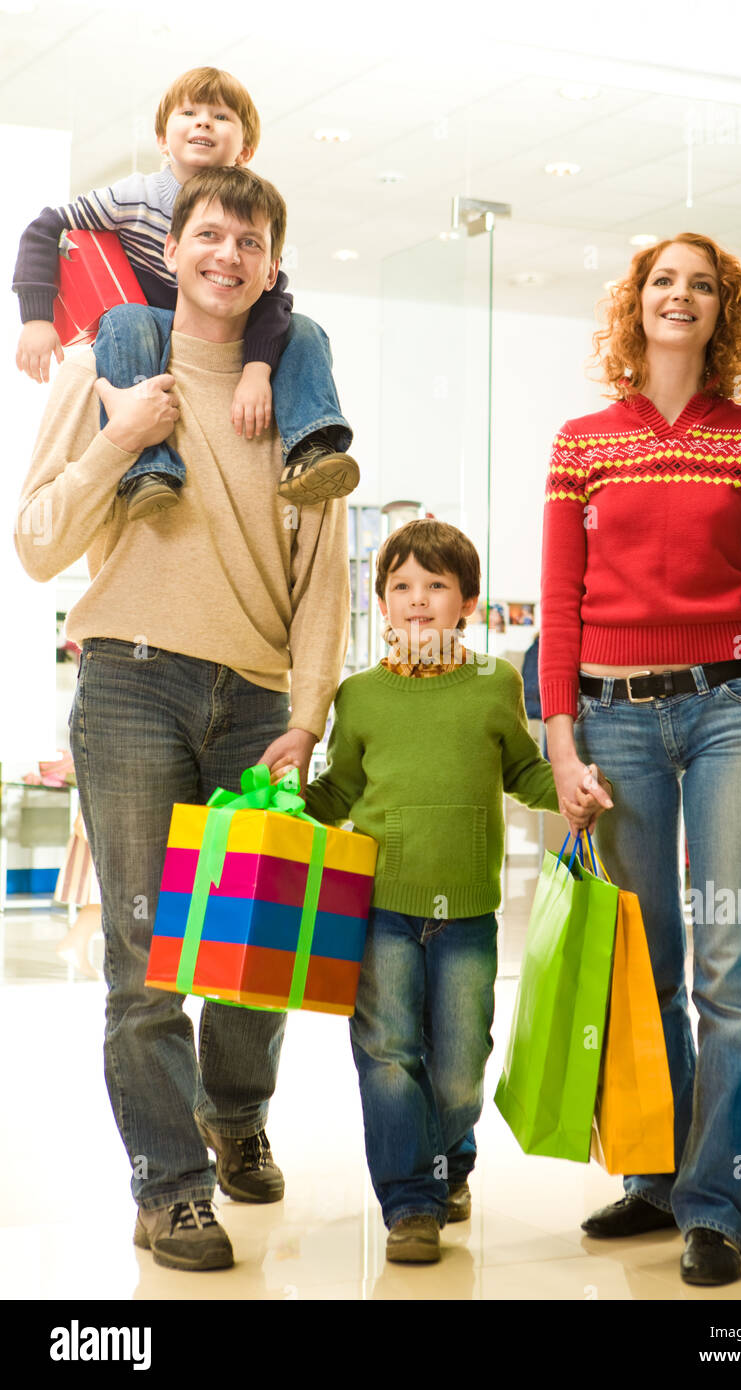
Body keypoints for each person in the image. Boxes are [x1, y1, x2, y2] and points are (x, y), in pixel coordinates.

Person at [15, 165, 350, 1272]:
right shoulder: (108, 361)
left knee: (258, 956)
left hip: (259, 700)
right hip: (133, 682)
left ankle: (235, 1108)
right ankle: (170, 1188)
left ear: (268, 264)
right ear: (179, 241)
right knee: (144, 958)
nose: (228, 254)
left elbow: (322, 578)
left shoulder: (296, 388)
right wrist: (121, 438)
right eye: (211, 232)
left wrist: (309, 710)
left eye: (251, 241)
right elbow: (37, 542)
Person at [540, 233, 741, 1287]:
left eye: (700, 285)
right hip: (611, 722)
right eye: (664, 279)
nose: (680, 295)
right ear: (637, 302)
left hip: (738, 715)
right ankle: (656, 1176)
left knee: (730, 971)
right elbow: (561, 610)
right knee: (645, 964)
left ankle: (714, 1206)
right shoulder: (580, 443)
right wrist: (560, 745)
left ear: (723, 312)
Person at [294, 519, 602, 1264]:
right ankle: (410, 1204)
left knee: (461, 1062)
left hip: (467, 910)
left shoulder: (495, 683)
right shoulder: (357, 696)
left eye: (436, 586)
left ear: (466, 601)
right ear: (382, 602)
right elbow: (340, 789)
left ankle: (450, 1158)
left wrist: (568, 789)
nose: (418, 600)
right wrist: (292, 802)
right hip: (381, 908)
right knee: (390, 1052)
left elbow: (524, 770)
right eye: (401, 585)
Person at [12, 65, 358, 519]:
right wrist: (37, 319)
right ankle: (149, 468)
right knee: (125, 317)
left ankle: (311, 446)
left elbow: (275, 300)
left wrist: (256, 371)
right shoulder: (134, 196)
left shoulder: (254, 204)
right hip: (153, 323)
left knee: (304, 330)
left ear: (246, 150)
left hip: (222, 336)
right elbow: (46, 226)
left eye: (221, 116)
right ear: (161, 139)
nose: (203, 122)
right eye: (190, 112)